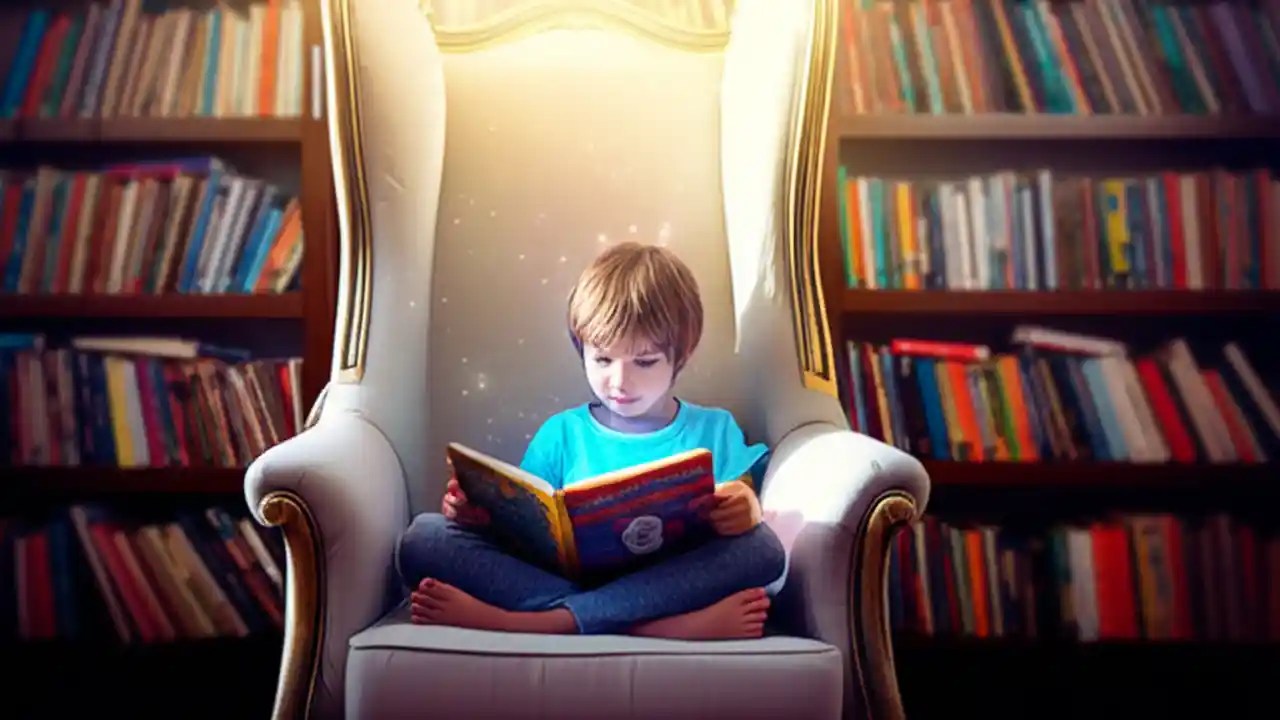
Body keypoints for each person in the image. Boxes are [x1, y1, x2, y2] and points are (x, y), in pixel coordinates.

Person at [394, 241, 786, 639]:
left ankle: (535, 623)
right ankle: (654, 627)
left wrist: (746, 507)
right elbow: (524, 533)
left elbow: (749, 507)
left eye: (645, 362)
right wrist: (473, 515)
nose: (619, 382)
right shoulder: (562, 434)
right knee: (424, 537)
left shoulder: (713, 429)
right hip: (612, 591)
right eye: (602, 359)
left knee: (763, 549)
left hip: (671, 580)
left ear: (680, 356)